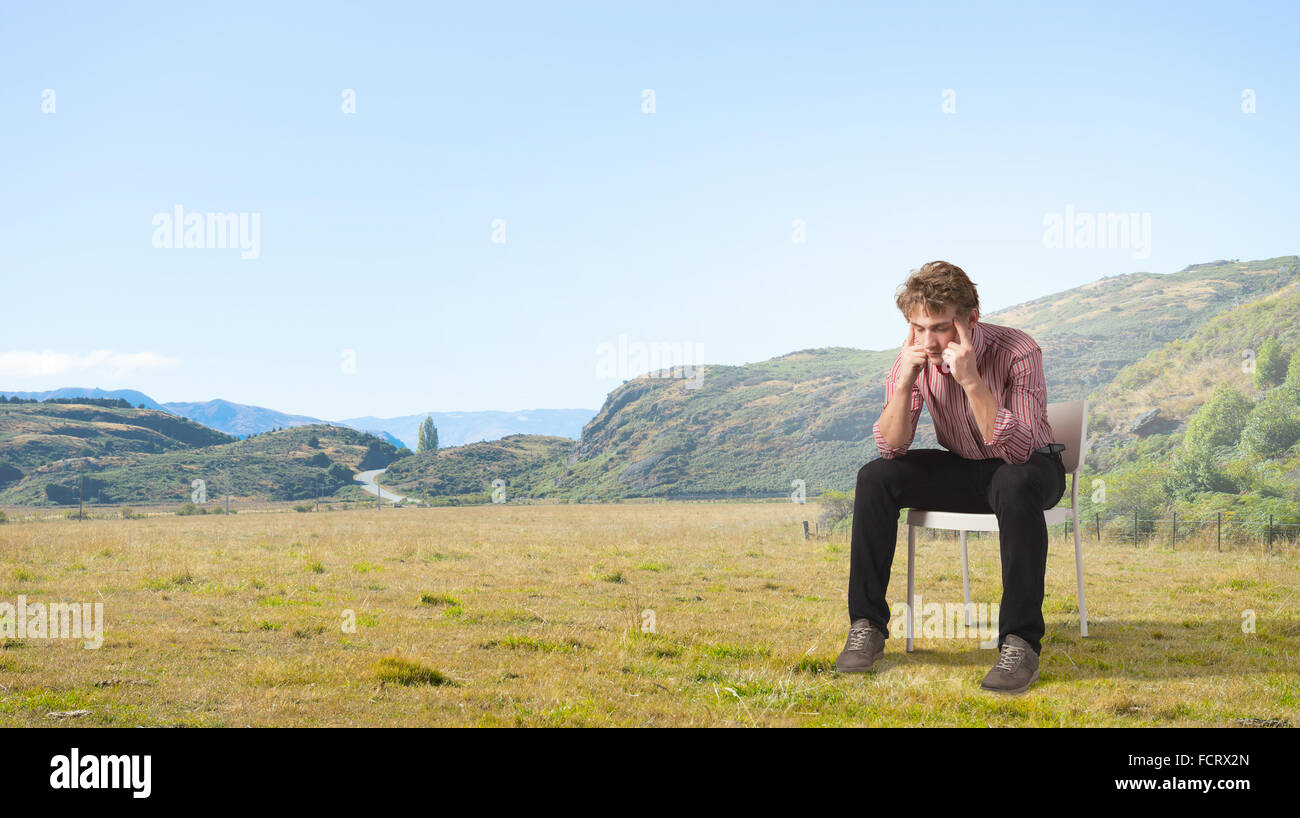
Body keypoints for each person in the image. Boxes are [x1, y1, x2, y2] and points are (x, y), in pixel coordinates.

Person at [835, 260, 1066, 694]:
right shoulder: (915, 357)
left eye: (938, 328)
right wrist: (904, 384)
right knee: (875, 476)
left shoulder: (1019, 350)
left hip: (1031, 469)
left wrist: (972, 382)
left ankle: (1019, 643)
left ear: (969, 319)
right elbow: (892, 447)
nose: (927, 341)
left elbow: (1016, 451)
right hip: (965, 469)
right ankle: (867, 627)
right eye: (917, 328)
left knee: (1013, 482)